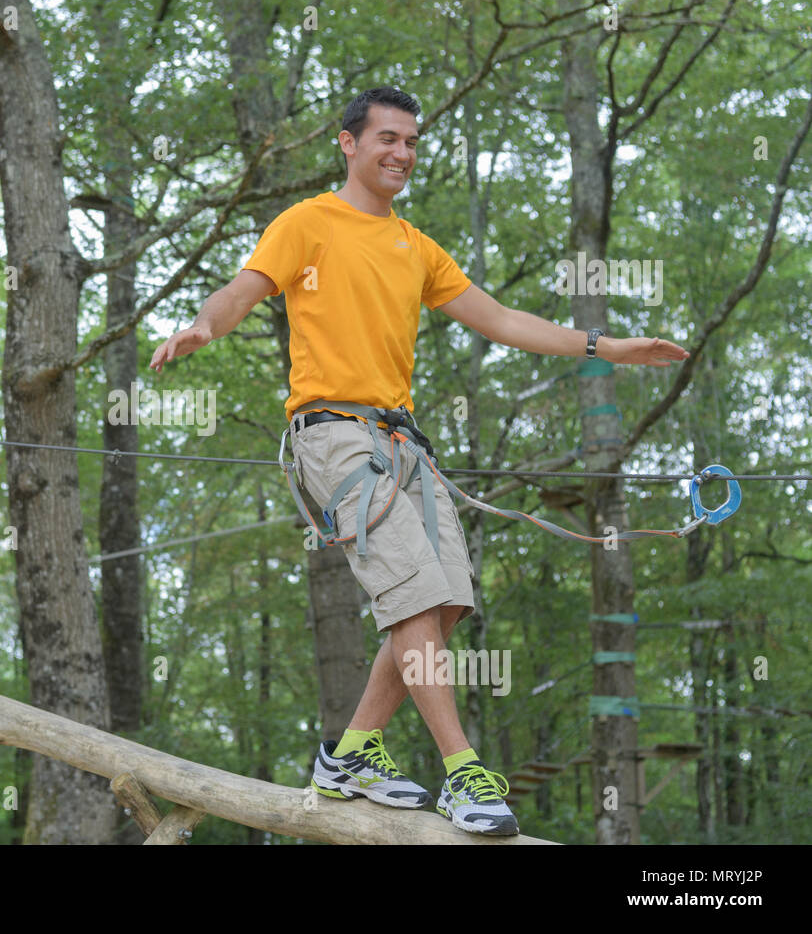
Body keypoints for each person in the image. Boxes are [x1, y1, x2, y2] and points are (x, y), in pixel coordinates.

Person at [149, 86, 688, 835]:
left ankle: (352, 753)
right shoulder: (309, 223)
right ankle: (465, 772)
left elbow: (499, 318)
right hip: (333, 437)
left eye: (410, 140)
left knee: (438, 604)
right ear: (348, 143)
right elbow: (243, 290)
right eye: (386, 139)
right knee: (410, 597)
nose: (401, 152)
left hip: (402, 443)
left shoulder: (417, 247)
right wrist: (203, 328)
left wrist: (610, 348)